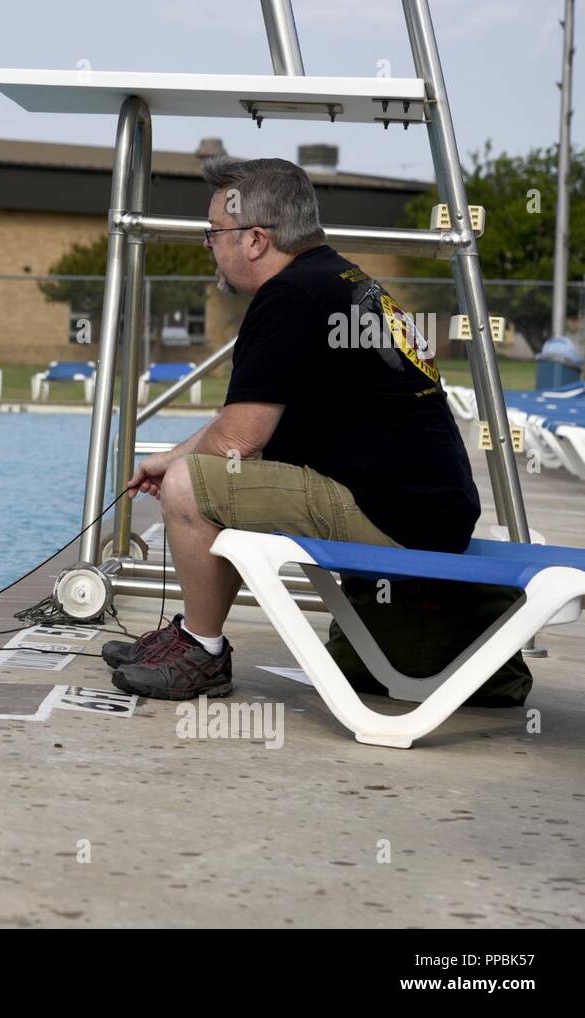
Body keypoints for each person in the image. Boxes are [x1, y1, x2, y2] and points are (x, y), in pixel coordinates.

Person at [106, 154, 513, 702]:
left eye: (214, 232)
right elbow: (247, 422)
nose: (208, 244)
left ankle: (202, 654)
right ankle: (191, 638)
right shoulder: (337, 280)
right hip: (426, 509)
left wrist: (176, 468)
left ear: (254, 240)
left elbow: (236, 443)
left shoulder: (289, 298)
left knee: (190, 486)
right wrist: (175, 452)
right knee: (205, 476)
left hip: (398, 518)